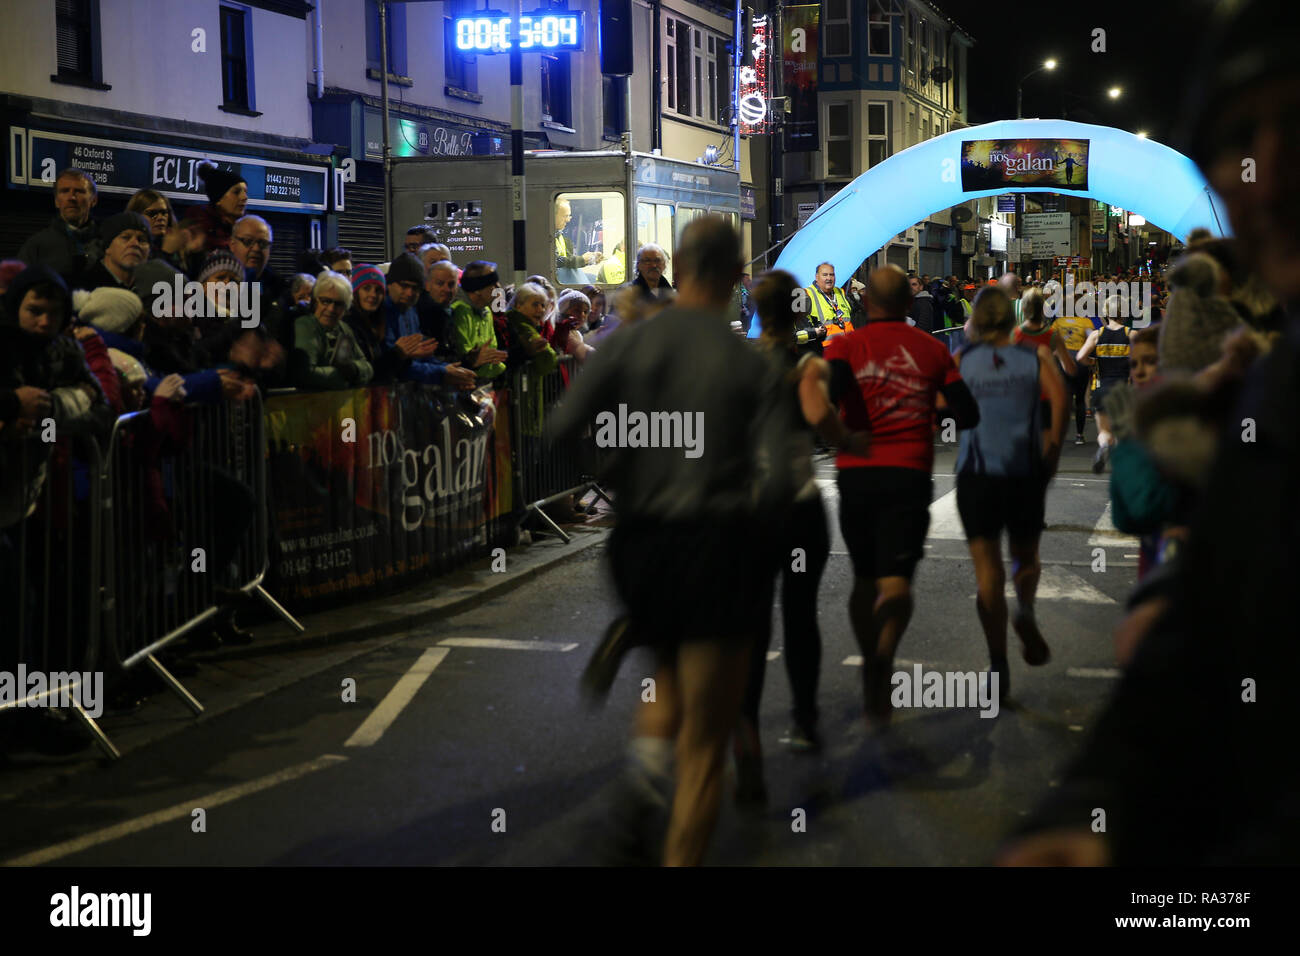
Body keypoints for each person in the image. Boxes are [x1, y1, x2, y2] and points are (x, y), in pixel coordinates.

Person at [1001, 0, 1300, 867]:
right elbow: (1202, 641)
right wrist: (1088, 813)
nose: (1271, 171)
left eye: (1297, 122)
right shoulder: (1268, 388)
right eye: (1241, 136)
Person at [551, 216, 788, 866]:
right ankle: (661, 806)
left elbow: (564, 427)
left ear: (676, 273)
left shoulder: (628, 343)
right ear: (738, 280)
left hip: (641, 546)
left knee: (667, 677)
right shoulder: (748, 361)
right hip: (717, 544)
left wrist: (621, 474)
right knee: (707, 749)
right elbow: (783, 477)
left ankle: (642, 782)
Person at [808, 264, 979, 727]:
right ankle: (884, 657)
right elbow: (966, 413)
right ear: (909, 304)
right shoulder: (930, 348)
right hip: (908, 475)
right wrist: (924, 401)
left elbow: (816, 400)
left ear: (866, 303)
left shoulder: (844, 346)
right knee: (897, 584)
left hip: (858, 475)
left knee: (865, 580)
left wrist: (842, 435)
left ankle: (871, 664)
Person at [739, 270, 870, 778]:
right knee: (800, 616)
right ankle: (804, 720)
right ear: (798, 310)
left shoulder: (739, 365)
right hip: (798, 506)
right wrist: (852, 440)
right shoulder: (807, 366)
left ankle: (746, 730)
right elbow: (824, 421)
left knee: (751, 621)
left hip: (749, 510)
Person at [954, 286, 1066, 699]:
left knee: (988, 571)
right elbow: (1060, 398)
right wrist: (1050, 452)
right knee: (1026, 555)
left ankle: (997, 663)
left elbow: (939, 402)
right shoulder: (1033, 356)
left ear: (977, 321)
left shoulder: (961, 360)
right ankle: (1026, 607)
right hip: (1023, 471)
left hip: (976, 474)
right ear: (1013, 320)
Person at [382, 254, 478, 390]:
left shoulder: (410, 309)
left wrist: (448, 370)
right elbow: (397, 366)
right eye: (404, 286)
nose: (409, 293)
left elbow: (420, 356)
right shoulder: (382, 313)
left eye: (415, 288)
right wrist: (442, 372)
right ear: (390, 284)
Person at [1014, 286, 1077, 450]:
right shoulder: (1052, 335)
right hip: (1045, 397)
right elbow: (1069, 368)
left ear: (1024, 308)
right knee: (1046, 446)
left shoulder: (1014, 335)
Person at [1075, 295, 1133, 472]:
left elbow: (1080, 357)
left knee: (1104, 432)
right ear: (1124, 313)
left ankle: (1104, 447)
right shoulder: (1131, 335)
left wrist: (1093, 363)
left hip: (1102, 390)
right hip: (1123, 390)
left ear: (1106, 313)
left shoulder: (1096, 335)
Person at [292, 270, 374, 390]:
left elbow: (367, 368)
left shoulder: (344, 328)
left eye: (339, 304)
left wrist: (353, 369)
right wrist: (346, 377)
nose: (331, 309)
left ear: (346, 308)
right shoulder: (305, 325)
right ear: (315, 301)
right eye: (325, 301)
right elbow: (306, 374)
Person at [17, 168, 101, 284]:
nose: (71, 197)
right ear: (56, 201)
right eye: (65, 191)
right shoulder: (36, 245)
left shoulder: (108, 242)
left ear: (94, 200)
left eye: (79, 191)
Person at [449, 261, 511, 385]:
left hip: (485, 382)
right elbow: (463, 351)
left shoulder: (486, 311)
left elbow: (491, 348)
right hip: (466, 382)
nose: (498, 288)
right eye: (492, 284)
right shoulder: (459, 310)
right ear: (477, 290)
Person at [78, 213, 152, 291]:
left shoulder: (153, 289)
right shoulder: (84, 288)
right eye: (126, 237)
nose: (135, 244)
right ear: (107, 247)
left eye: (141, 240)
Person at [804, 262, 855, 345]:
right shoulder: (807, 294)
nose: (829, 278)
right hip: (825, 352)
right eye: (825, 275)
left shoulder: (840, 292)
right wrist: (814, 332)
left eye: (832, 275)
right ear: (817, 277)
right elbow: (801, 331)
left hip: (849, 348)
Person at [554, 198, 603, 283]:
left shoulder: (560, 236)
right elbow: (557, 260)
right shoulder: (546, 238)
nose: (568, 220)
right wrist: (582, 260)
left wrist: (589, 260)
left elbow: (568, 260)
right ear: (552, 215)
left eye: (569, 216)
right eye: (565, 216)